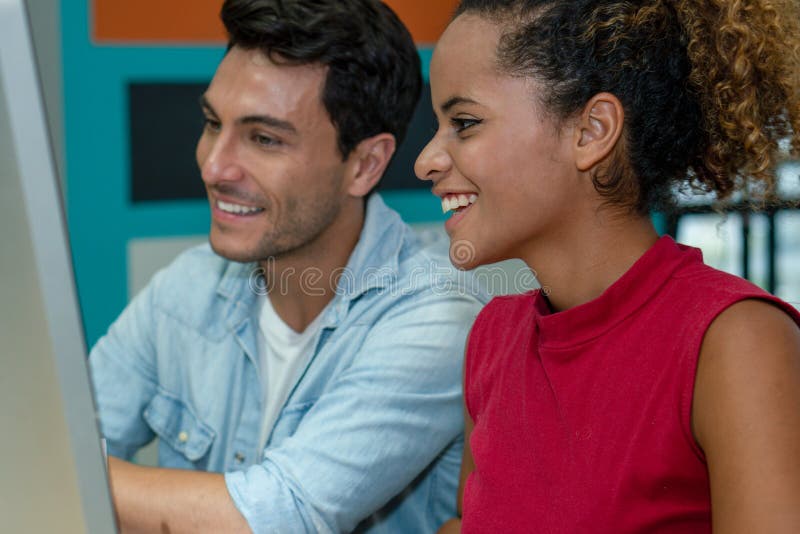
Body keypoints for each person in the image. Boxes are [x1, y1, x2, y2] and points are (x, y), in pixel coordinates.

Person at [89, 1, 485, 532]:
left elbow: (279, 515)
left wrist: (78, 473)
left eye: (264, 139)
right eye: (212, 123)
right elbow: (53, 440)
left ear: (365, 164)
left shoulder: (438, 317)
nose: (213, 166)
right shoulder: (187, 287)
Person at [415, 0, 800, 532]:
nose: (426, 161)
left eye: (464, 122)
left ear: (592, 131)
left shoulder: (735, 343)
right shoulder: (492, 338)